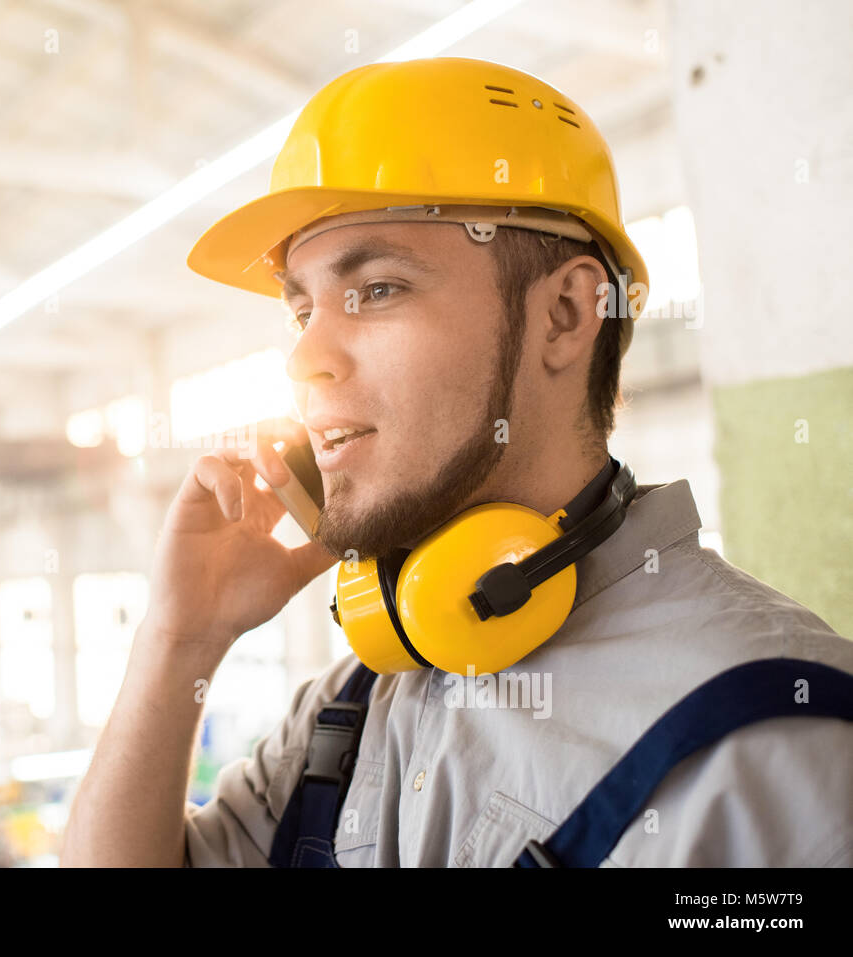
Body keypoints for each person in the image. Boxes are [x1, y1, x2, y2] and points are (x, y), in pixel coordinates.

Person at [59, 57, 853, 867]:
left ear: (567, 313)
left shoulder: (775, 753)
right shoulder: (348, 711)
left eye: (376, 289)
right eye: (301, 308)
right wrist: (179, 638)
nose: (305, 357)